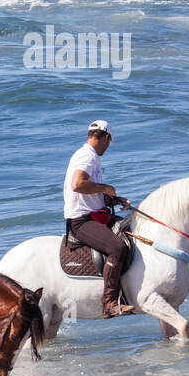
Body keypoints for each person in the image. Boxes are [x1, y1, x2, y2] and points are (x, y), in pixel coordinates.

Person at [63, 120, 133, 317]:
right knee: (117, 247)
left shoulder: (89, 156)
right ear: (107, 138)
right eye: (109, 143)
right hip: (81, 221)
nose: (108, 148)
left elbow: (87, 192)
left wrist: (113, 199)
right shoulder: (87, 156)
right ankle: (109, 303)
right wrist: (105, 188)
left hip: (93, 214)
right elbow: (77, 185)